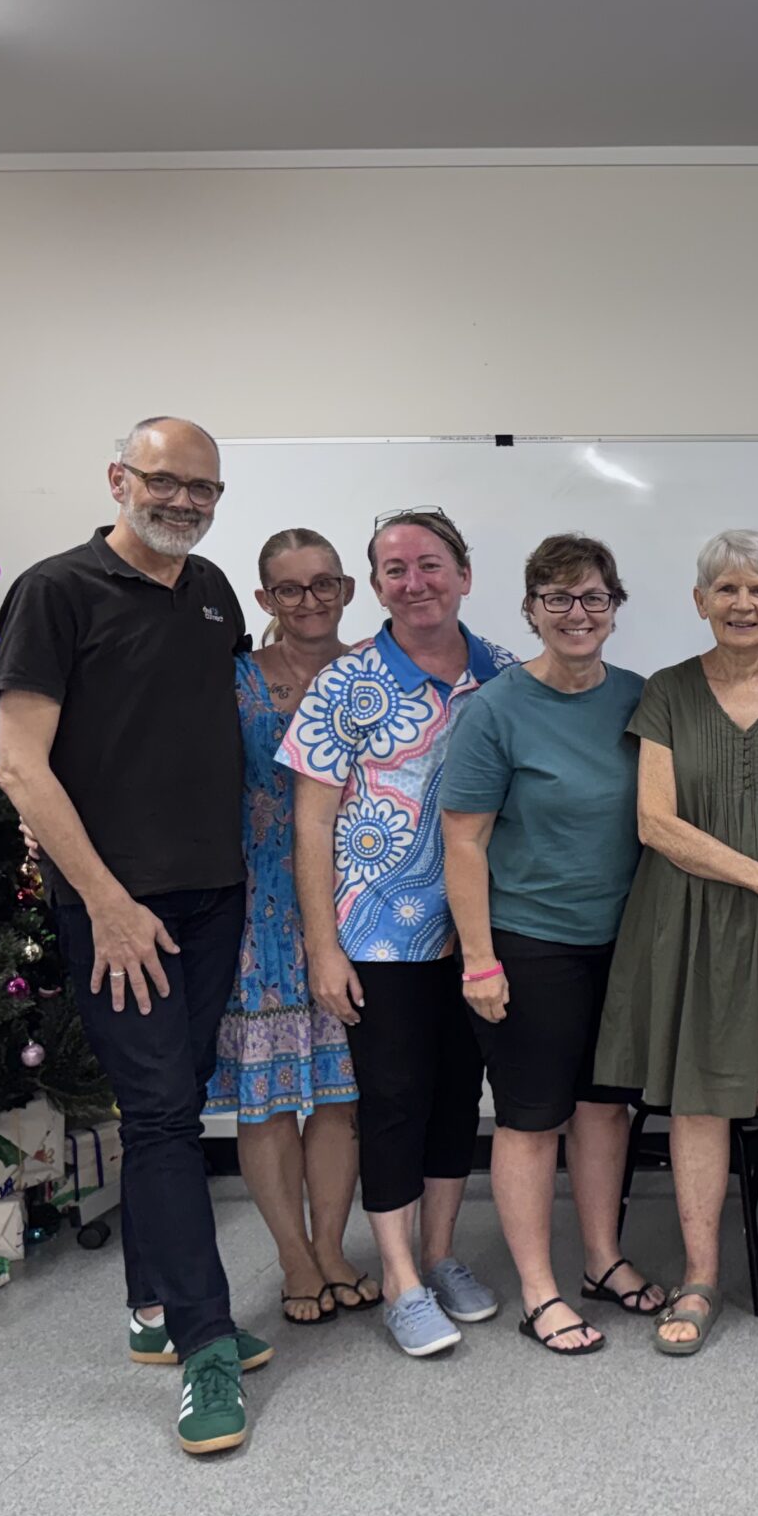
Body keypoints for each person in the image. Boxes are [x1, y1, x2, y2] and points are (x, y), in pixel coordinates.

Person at [0, 416, 272, 1455]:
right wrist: (106, 902)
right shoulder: (56, 592)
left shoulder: (208, 592)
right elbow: (20, 766)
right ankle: (204, 1347)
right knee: (161, 1120)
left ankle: (155, 1310)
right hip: (122, 914)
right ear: (120, 478)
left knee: (178, 1100)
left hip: (211, 897)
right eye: (168, 482)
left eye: (206, 489)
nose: (188, 503)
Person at [596, 529, 758, 1356]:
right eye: (726, 590)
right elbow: (656, 824)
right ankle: (701, 1275)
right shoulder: (668, 692)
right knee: (702, 1101)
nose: (743, 604)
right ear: (700, 602)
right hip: (692, 922)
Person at [282, 508, 518, 1359]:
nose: (414, 583)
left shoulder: (505, 672)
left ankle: (442, 1254)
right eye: (393, 570)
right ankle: (399, 1279)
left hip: (481, 936)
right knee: (392, 1105)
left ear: (463, 572)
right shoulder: (344, 683)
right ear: (375, 586)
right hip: (378, 937)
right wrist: (322, 945)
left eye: (430, 564)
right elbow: (309, 825)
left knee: (460, 1098)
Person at [439, 535, 663, 1359]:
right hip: (529, 944)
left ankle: (602, 1260)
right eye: (559, 599)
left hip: (624, 943)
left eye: (594, 599)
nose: (578, 614)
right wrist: (479, 959)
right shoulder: (494, 709)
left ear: (615, 609)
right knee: (534, 1118)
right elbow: (463, 843)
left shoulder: (641, 700)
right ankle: (540, 1289)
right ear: (530, 608)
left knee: (606, 1108)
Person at [206, 528, 375, 1327]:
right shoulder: (231, 681)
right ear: (265, 597)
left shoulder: (377, 671)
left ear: (347, 588)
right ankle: (294, 1257)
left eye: (325, 584)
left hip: (359, 911)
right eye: (291, 588)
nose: (310, 601)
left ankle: (336, 1247)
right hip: (257, 915)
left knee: (341, 1098)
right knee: (268, 1102)